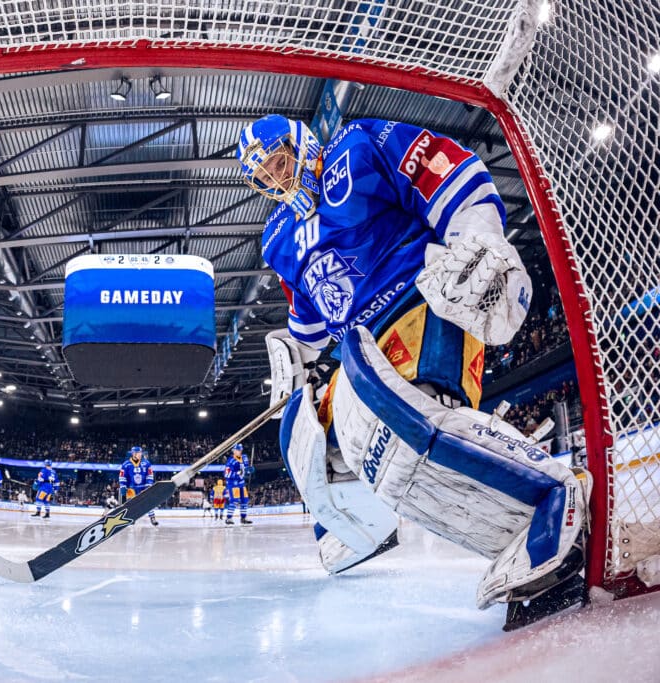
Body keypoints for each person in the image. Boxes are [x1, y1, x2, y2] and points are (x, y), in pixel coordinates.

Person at [238, 115, 589, 616]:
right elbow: (309, 321)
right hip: (358, 345)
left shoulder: (356, 146)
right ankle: (355, 528)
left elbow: (449, 172)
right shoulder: (278, 238)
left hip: (419, 302)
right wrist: (302, 366)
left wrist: (476, 237)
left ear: (301, 142)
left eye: (279, 163)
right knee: (302, 426)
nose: (277, 180)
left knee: (401, 430)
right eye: (265, 178)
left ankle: (552, 499)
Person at [119, 446, 158, 526]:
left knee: (148, 503)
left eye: (140, 452)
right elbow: (122, 476)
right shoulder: (126, 464)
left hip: (143, 487)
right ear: (133, 453)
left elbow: (150, 474)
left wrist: (148, 484)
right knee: (131, 504)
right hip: (131, 488)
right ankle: (131, 519)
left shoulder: (146, 463)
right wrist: (123, 486)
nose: (140, 454)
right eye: (138, 453)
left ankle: (152, 518)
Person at [224, 444, 252, 525]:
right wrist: (238, 473)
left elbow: (246, 469)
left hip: (241, 482)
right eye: (238, 450)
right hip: (233, 483)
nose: (240, 451)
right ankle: (229, 518)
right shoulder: (230, 461)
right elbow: (226, 474)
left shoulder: (244, 457)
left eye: (241, 449)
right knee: (234, 501)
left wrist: (248, 470)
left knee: (244, 500)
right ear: (234, 450)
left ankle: (244, 517)